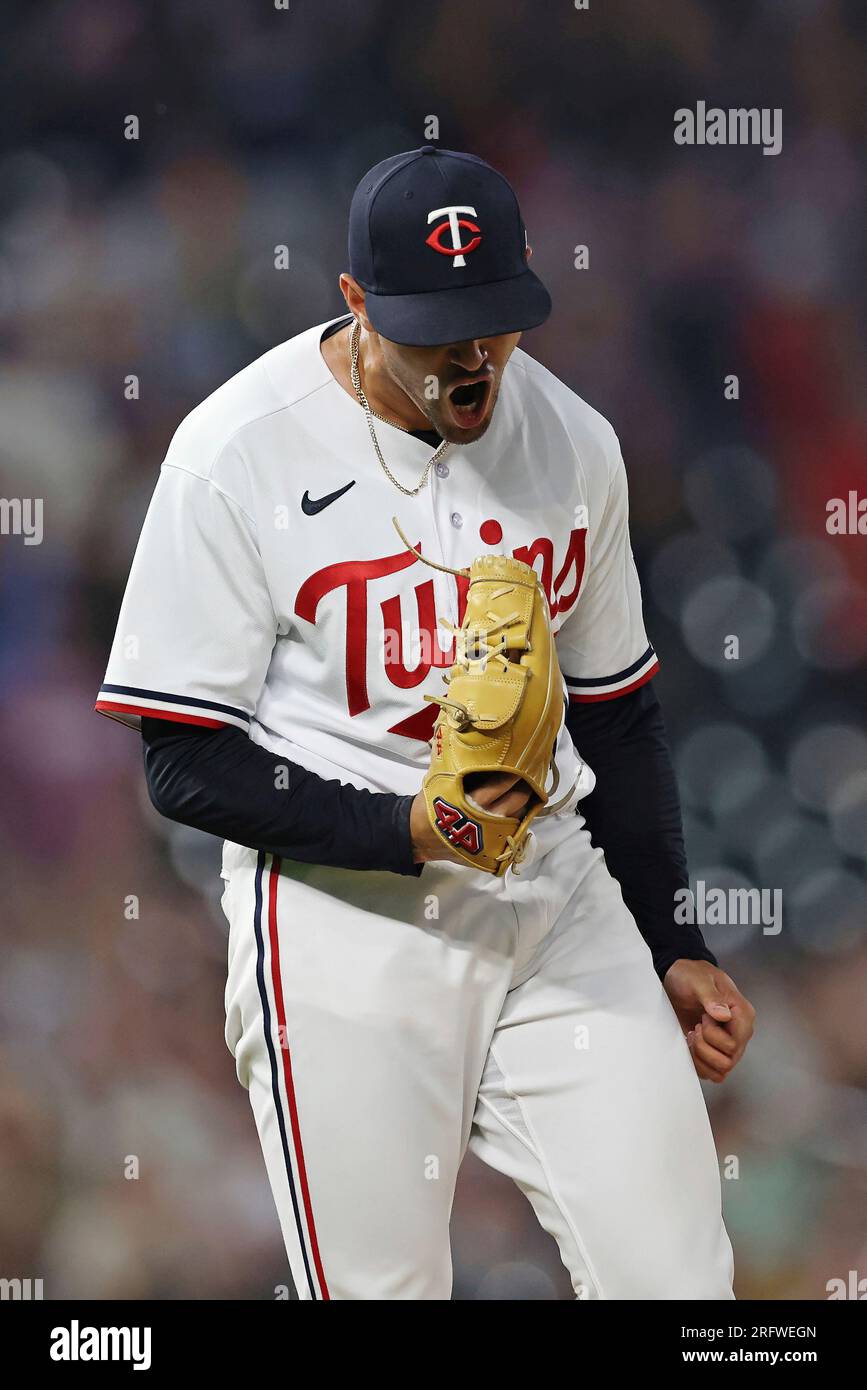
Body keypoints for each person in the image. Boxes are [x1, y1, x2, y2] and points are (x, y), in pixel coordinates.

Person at [96, 146, 754, 1300]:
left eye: (495, 318)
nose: (473, 352)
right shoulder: (234, 451)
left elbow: (619, 718)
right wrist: (410, 826)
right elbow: (183, 760)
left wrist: (671, 938)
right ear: (354, 304)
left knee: (680, 1285)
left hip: (552, 894)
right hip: (342, 919)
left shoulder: (572, 442)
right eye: (435, 325)